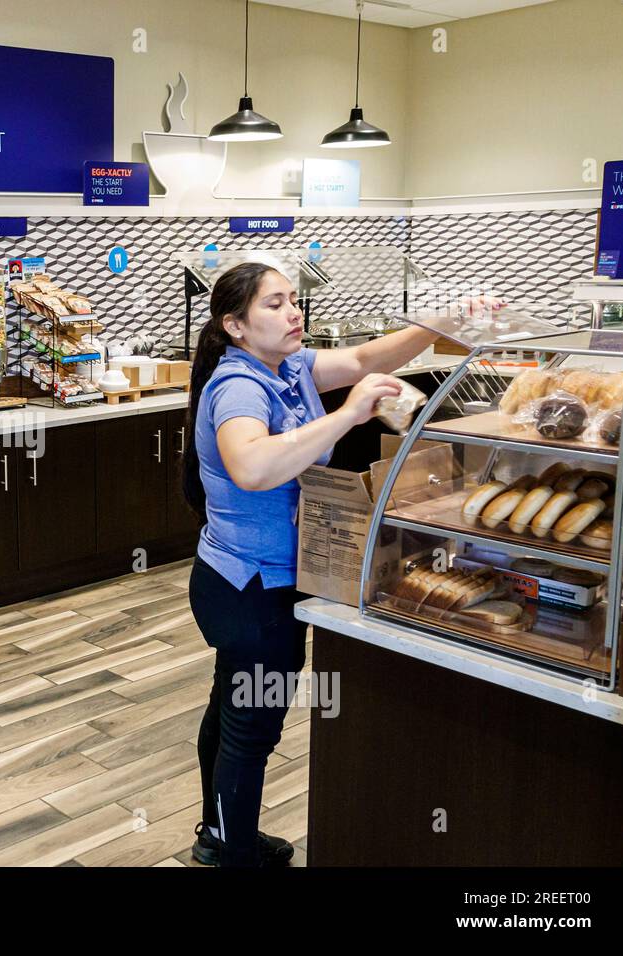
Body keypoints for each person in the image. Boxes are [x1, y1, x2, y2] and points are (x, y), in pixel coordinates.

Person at [182, 261, 447, 867]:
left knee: (231, 708)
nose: (293, 312)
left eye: (294, 300)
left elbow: (362, 361)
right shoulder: (240, 388)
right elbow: (251, 467)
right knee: (251, 729)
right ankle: (233, 853)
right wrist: (350, 414)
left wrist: (437, 324)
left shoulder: (289, 368)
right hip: (250, 588)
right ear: (235, 325)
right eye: (274, 304)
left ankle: (220, 835)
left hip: (252, 580)